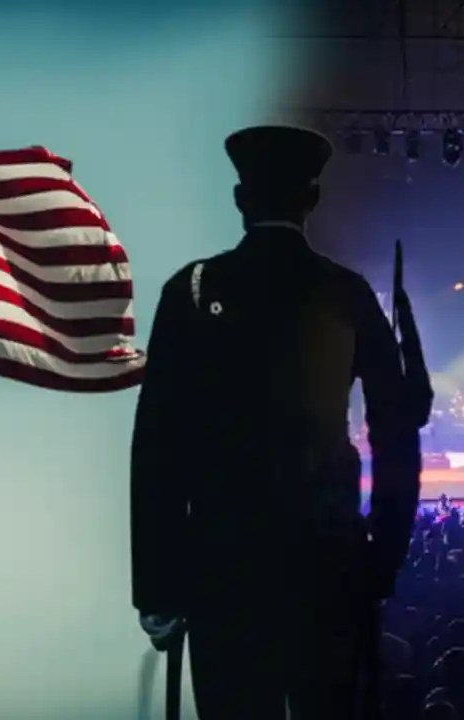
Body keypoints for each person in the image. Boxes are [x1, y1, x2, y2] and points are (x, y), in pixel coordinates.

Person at [130, 125, 424, 719]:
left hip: (222, 566)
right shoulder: (348, 293)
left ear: (240, 200)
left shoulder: (190, 290)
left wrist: (157, 587)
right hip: (329, 564)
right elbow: (396, 436)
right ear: (312, 198)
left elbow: (157, 446)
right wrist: (383, 559)